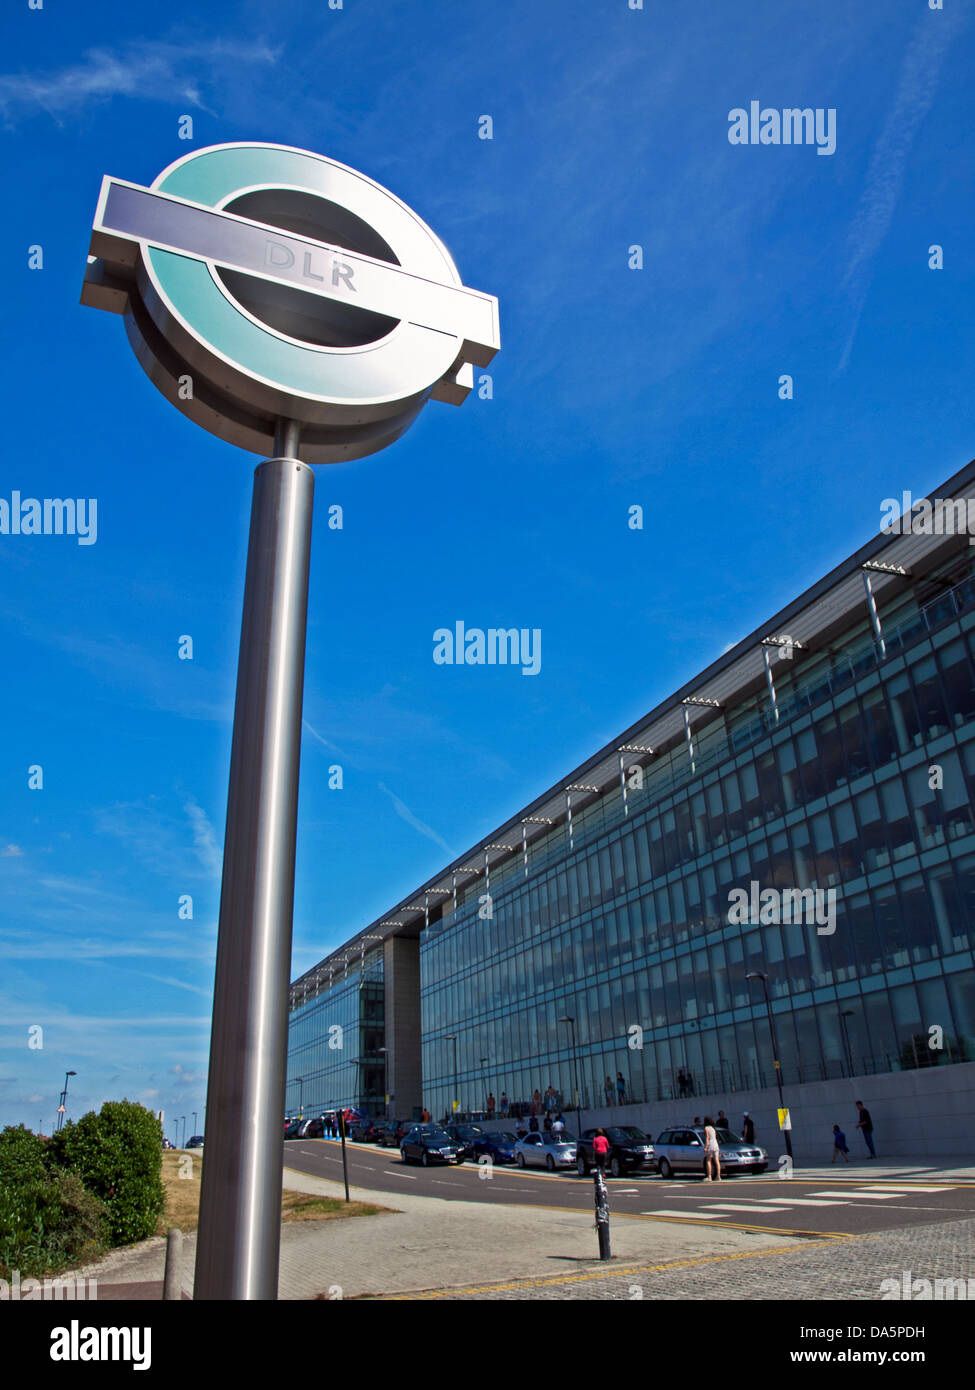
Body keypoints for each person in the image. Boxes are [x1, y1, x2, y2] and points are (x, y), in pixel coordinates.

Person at [702, 1115, 721, 1182]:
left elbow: (707, 1138)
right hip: (715, 1144)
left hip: (710, 1144)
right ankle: (718, 1176)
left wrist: (706, 1147)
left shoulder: (706, 1128)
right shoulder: (713, 1128)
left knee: (708, 1160)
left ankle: (709, 1176)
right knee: (717, 1161)